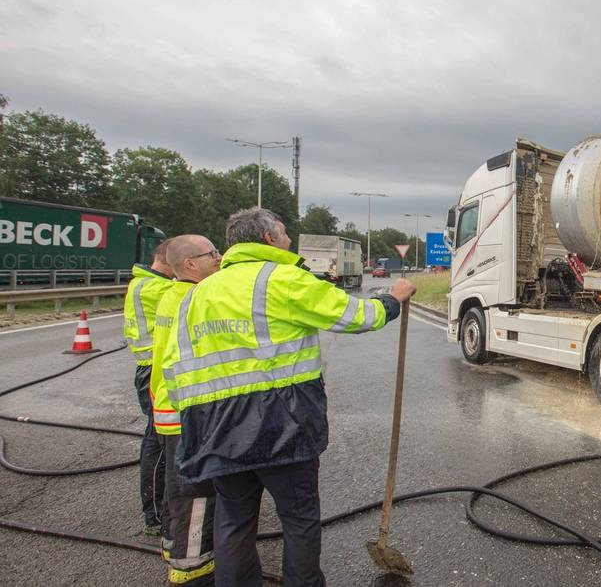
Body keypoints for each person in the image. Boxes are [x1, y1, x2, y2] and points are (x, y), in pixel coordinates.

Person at [161, 207, 416, 586]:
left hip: (214, 428)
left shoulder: (197, 294)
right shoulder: (281, 279)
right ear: (268, 239)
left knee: (233, 521)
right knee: (298, 518)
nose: (288, 239)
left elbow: (174, 366)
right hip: (282, 423)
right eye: (283, 233)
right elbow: (356, 316)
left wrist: (194, 428)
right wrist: (393, 298)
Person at [152, 235, 223, 585]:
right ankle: (192, 568)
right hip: (189, 408)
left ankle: (172, 545)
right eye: (211, 254)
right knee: (196, 492)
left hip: (168, 405)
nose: (219, 258)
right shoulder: (195, 299)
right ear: (190, 264)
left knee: (175, 487)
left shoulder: (170, 296)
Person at [124, 239, 175, 536]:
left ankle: (160, 509)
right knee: (159, 441)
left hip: (154, 369)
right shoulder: (157, 289)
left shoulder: (146, 284)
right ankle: (156, 513)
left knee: (161, 440)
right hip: (155, 371)